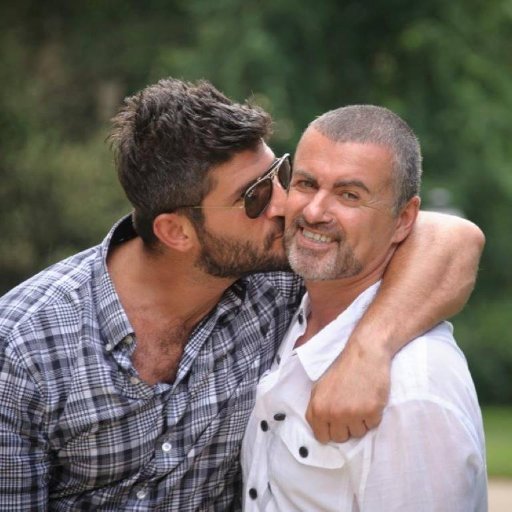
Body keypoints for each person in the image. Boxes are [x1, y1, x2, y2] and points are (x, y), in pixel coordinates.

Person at [0, 79, 484, 510]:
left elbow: (451, 237)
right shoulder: (23, 348)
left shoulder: (278, 277)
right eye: (254, 196)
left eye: (281, 175)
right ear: (176, 232)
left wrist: (370, 348)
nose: (288, 205)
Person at [242, 105, 487, 511]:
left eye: (349, 195)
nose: (314, 212)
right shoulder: (280, 301)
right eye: (306, 183)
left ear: (404, 220)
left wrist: (371, 347)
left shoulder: (413, 392)